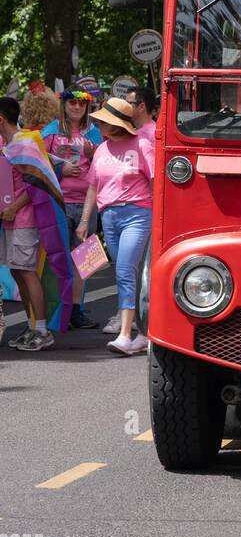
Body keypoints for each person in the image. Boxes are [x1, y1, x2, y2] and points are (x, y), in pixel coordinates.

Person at [79, 97, 153, 355]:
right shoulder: (101, 149)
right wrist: (85, 221)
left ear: (117, 124)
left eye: (102, 121)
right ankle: (143, 333)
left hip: (137, 214)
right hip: (108, 216)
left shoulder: (143, 144)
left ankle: (125, 335)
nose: (98, 124)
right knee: (128, 273)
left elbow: (158, 181)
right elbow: (92, 186)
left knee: (124, 270)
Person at [42, 88, 102, 329]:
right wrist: (60, 170)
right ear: (64, 104)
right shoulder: (51, 130)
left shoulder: (95, 133)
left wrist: (94, 152)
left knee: (85, 260)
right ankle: (59, 309)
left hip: (88, 203)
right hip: (59, 201)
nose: (77, 108)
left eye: (82, 104)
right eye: (72, 103)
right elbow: (38, 164)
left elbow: (105, 165)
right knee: (58, 258)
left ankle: (77, 309)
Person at [0, 96, 53, 351]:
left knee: (27, 271)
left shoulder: (24, 144)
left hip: (24, 219)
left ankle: (42, 329)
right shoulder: (7, 144)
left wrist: (12, 208)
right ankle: (31, 325)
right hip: (9, 220)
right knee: (16, 271)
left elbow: (37, 183)